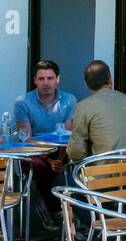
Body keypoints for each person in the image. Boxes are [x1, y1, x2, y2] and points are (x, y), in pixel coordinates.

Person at [13, 59, 78, 222]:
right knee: (39, 167)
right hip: (34, 151)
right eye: (41, 79)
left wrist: (60, 160)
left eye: (50, 78)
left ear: (58, 79)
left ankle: (62, 210)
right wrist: (49, 160)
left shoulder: (69, 100)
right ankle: (57, 209)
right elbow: (25, 138)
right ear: (34, 80)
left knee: (79, 160)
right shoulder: (23, 103)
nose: (46, 83)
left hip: (62, 150)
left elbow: (68, 135)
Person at [67, 60, 126, 162]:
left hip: (104, 176)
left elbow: (76, 152)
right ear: (110, 79)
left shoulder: (83, 107)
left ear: (86, 84)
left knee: (64, 175)